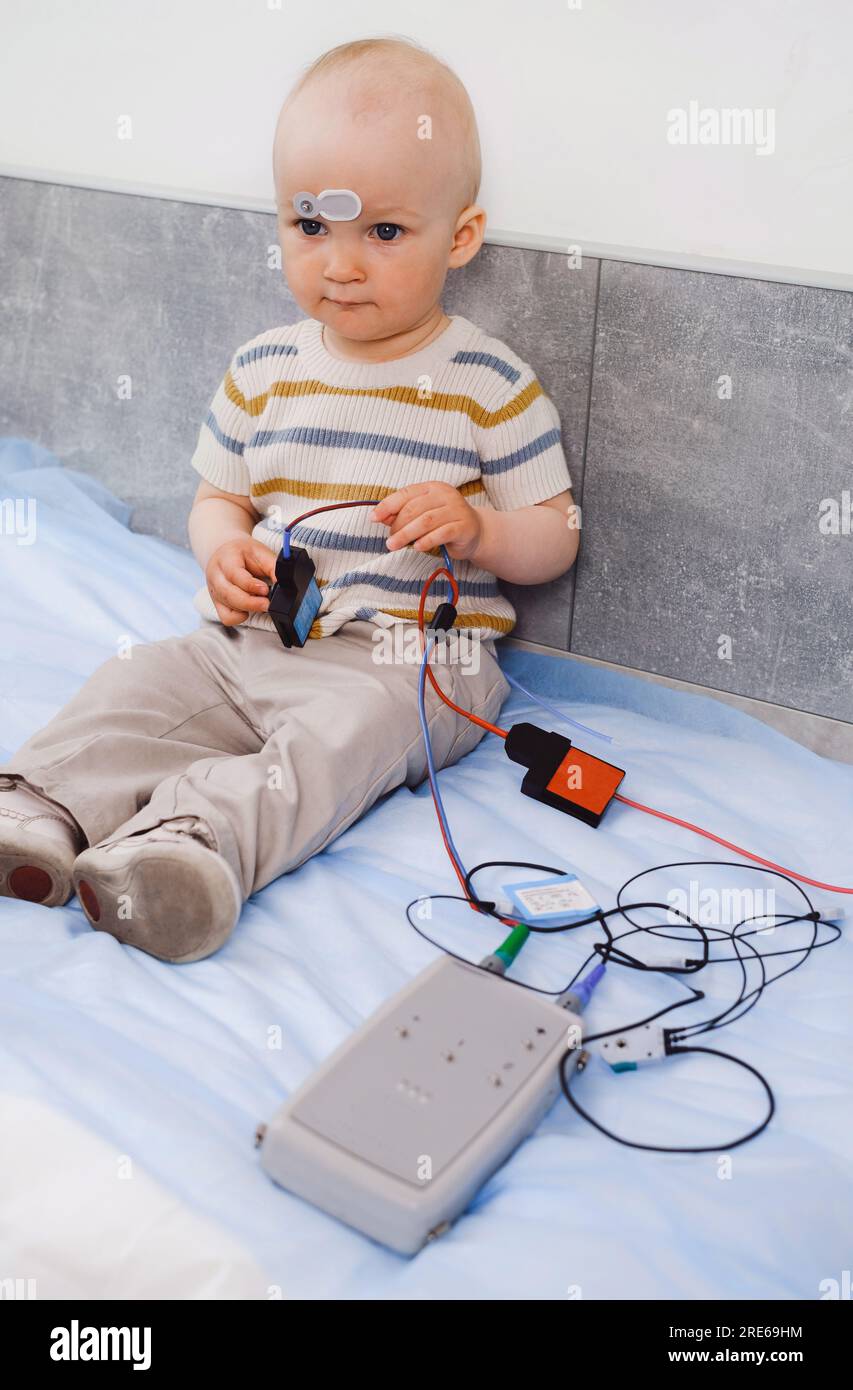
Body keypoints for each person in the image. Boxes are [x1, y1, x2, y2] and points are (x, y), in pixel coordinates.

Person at [0, 36, 578, 962]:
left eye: (382, 233)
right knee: (140, 683)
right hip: (256, 639)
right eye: (310, 227)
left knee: (343, 741)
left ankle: (185, 845)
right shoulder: (264, 370)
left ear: (458, 237)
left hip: (408, 658)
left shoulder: (487, 384)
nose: (340, 266)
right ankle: (39, 806)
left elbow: (555, 536)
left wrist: (481, 528)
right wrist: (219, 550)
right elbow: (216, 501)